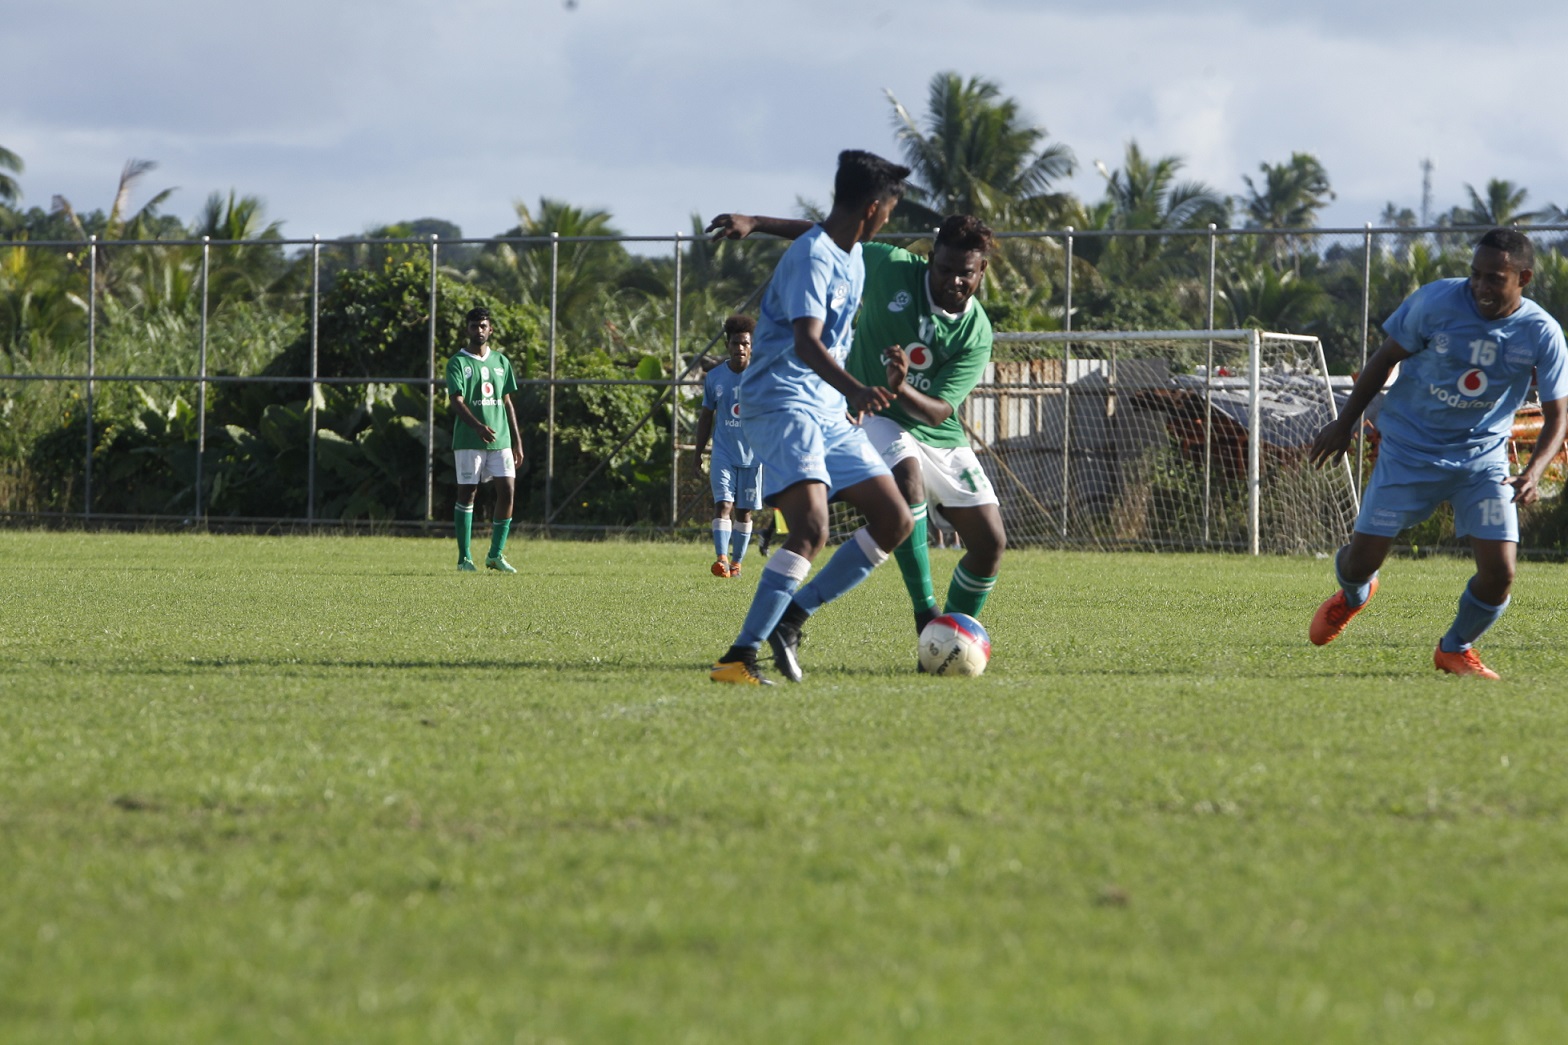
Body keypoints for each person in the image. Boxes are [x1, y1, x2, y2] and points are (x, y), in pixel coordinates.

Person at [706, 212, 1005, 641]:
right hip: (871, 413)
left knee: (991, 542)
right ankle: (925, 612)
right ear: (930, 259)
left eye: (966, 274)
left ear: (983, 270)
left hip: (937, 432)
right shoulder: (891, 266)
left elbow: (938, 411)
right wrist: (756, 222)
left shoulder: (976, 332)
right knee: (907, 478)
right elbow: (829, 236)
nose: (953, 281)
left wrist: (900, 387)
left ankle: (945, 640)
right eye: (944, 269)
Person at [1308, 228, 1568, 678]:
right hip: (1408, 449)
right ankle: (1354, 595)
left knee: (1501, 573)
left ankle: (1455, 648)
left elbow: (1558, 415)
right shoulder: (1436, 302)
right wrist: (1344, 422)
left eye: (1494, 278)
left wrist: (1533, 472)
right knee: (1361, 562)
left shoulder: (1541, 333)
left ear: (1523, 278)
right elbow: (1383, 359)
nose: (1480, 286)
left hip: (1482, 461)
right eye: (1475, 275)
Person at [702, 149, 915, 684]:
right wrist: (856, 390)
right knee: (812, 527)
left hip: (825, 407)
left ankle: (792, 618)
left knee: (895, 519)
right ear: (872, 208)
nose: (889, 220)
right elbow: (807, 342)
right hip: (781, 402)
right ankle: (739, 657)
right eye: (889, 210)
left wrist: (756, 221)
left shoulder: (850, 251)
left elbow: (812, 230)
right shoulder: (814, 259)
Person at [445, 305, 525, 573]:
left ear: (490, 329)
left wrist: (517, 440)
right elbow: (456, 401)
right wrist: (478, 426)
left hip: (501, 440)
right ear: (467, 329)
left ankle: (495, 555)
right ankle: (464, 559)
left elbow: (507, 402)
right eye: (474, 326)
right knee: (467, 493)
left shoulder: (501, 361)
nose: (478, 330)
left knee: (508, 491)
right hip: (469, 440)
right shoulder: (458, 362)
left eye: (483, 326)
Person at [692, 314, 762, 578]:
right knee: (723, 504)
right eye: (735, 343)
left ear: (751, 346)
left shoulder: (762, 376)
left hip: (753, 455)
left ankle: (736, 564)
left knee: (744, 512)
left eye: (745, 343)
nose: (740, 348)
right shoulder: (714, 377)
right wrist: (698, 453)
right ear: (727, 345)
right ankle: (721, 559)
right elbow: (706, 416)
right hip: (723, 451)